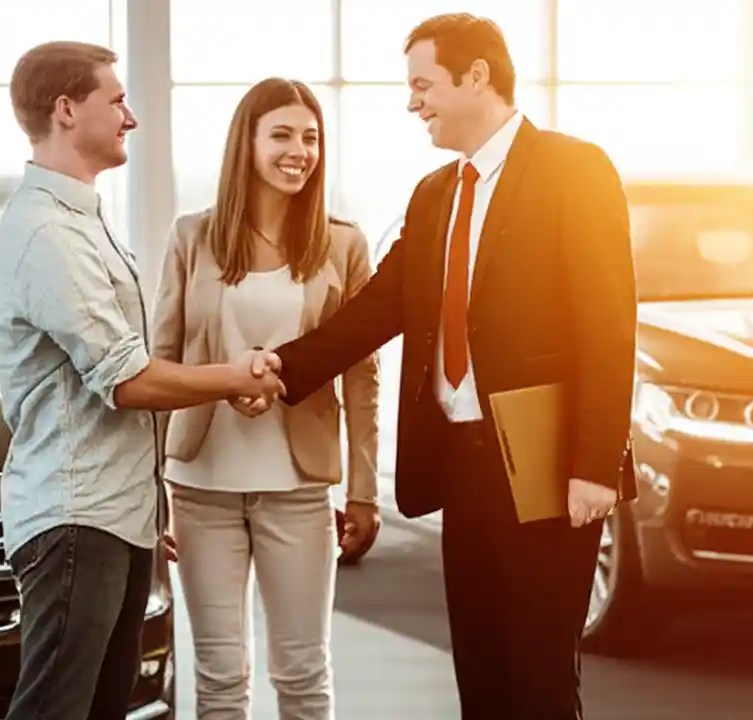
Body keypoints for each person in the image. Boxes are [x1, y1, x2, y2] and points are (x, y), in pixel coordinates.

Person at [260, 14, 638, 719]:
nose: (413, 103)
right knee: (483, 674)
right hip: (462, 466)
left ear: (476, 77)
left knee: (541, 678)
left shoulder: (573, 168)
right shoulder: (435, 193)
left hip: (548, 465)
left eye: (423, 84)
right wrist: (279, 370)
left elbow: (609, 324)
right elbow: (380, 310)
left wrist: (594, 463)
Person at [0, 41, 284, 720]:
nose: (132, 117)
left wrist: (150, 503)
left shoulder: (83, 221)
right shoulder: (46, 234)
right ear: (66, 110)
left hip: (114, 516)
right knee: (54, 709)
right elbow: (126, 380)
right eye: (116, 100)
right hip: (75, 517)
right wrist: (234, 375)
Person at [150, 77, 381, 719]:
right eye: (281, 134)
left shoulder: (343, 243)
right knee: (220, 676)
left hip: (300, 486)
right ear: (245, 142)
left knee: (303, 673)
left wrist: (364, 490)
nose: (298, 150)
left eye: (310, 137)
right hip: (200, 484)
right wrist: (148, 485)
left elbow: (362, 375)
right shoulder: (192, 237)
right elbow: (158, 362)